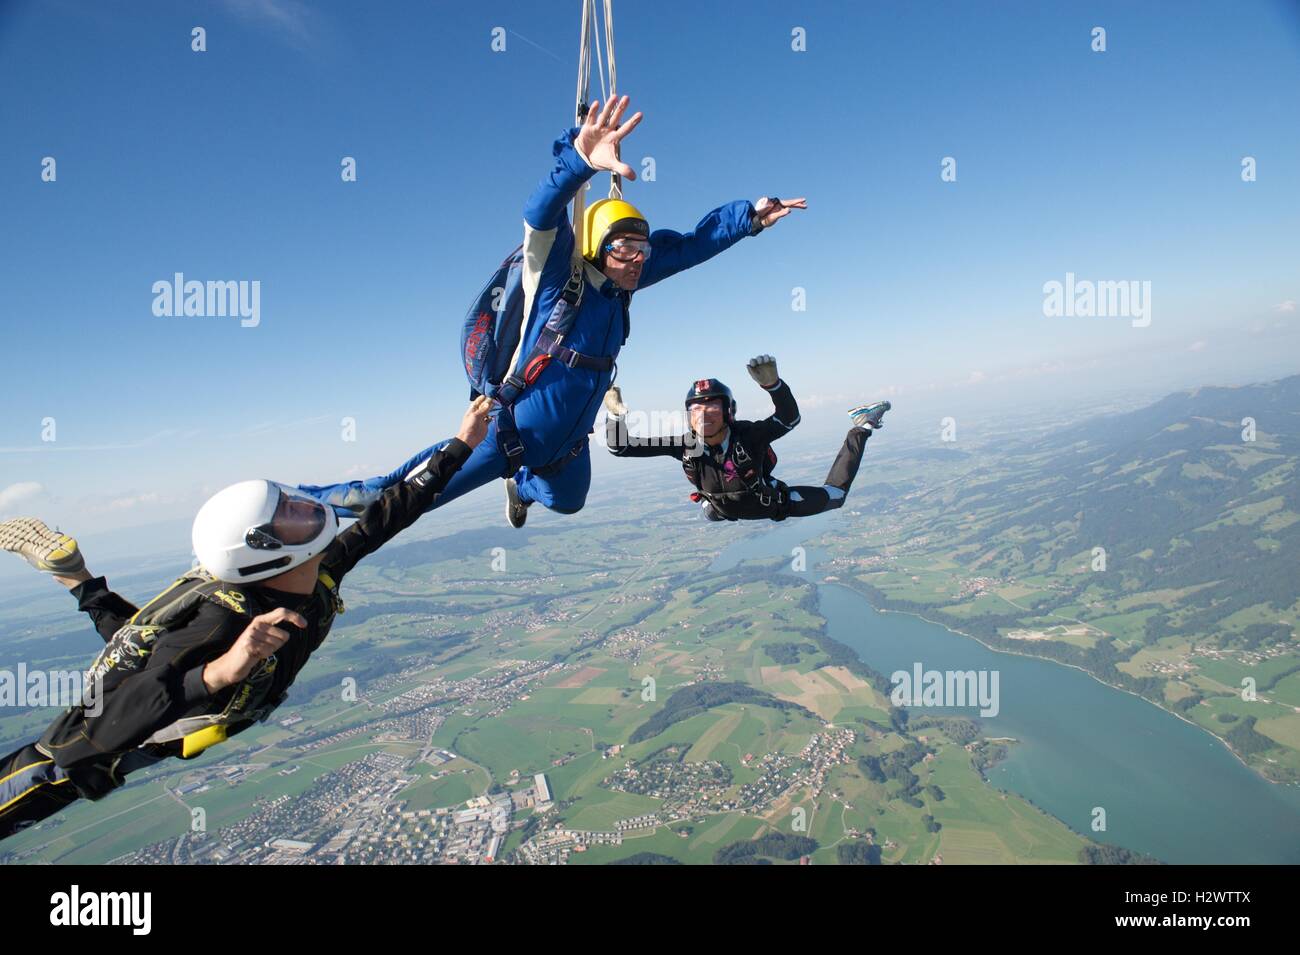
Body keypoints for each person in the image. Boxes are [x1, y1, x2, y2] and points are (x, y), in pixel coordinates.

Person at [297, 95, 805, 528]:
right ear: (597, 247)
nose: (638, 259)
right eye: (626, 248)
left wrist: (749, 219)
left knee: (568, 502)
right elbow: (541, 213)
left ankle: (522, 487)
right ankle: (294, 505)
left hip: (566, 450)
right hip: (504, 435)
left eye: (644, 250)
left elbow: (691, 246)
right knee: (398, 499)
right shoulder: (558, 278)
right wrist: (579, 159)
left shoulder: (622, 286)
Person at [0, 397, 492, 840]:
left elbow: (388, 515)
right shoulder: (224, 621)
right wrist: (221, 672)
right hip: (116, 728)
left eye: (292, 506)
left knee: (143, 647)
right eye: (289, 517)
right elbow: (119, 707)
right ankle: (77, 579)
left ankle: (77, 578)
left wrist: (460, 445)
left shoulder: (315, 571)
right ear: (269, 552)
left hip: (176, 678)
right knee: (58, 771)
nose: (306, 512)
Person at [604, 355, 891, 521]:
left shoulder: (749, 436)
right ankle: (710, 506)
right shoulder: (685, 445)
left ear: (728, 412)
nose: (703, 414)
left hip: (774, 504)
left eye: (713, 406)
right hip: (720, 509)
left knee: (836, 497)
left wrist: (774, 386)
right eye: (696, 408)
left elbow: (789, 419)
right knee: (712, 513)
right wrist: (615, 415)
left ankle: (862, 425)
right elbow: (621, 448)